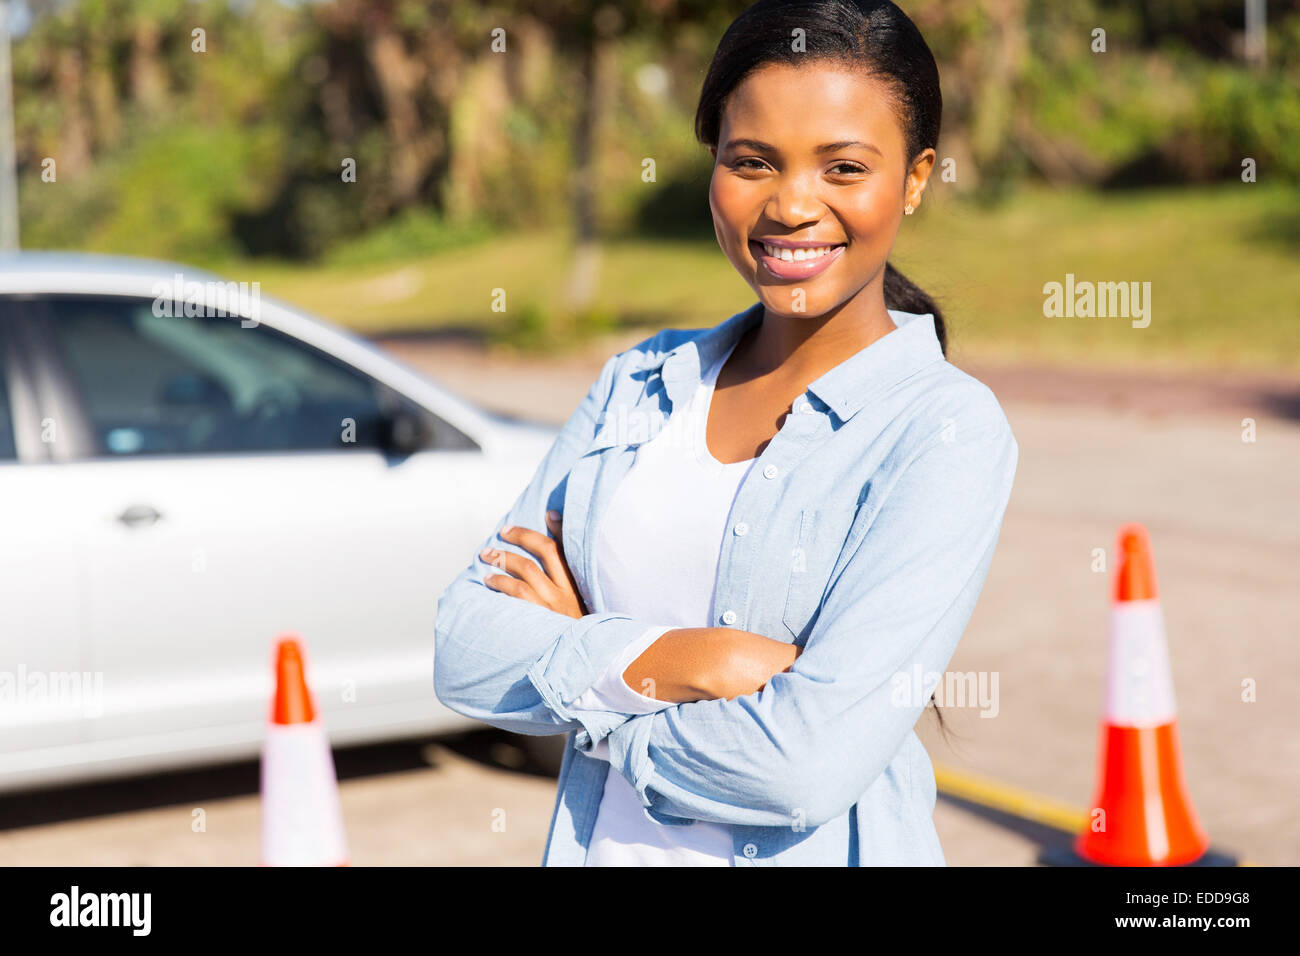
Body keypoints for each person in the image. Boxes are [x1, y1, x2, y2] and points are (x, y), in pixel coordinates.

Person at [433, 0, 1019, 866]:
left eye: (844, 168)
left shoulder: (945, 431)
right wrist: (689, 660)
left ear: (918, 177)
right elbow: (464, 649)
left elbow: (802, 767)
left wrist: (592, 697)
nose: (791, 205)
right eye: (753, 162)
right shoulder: (636, 386)